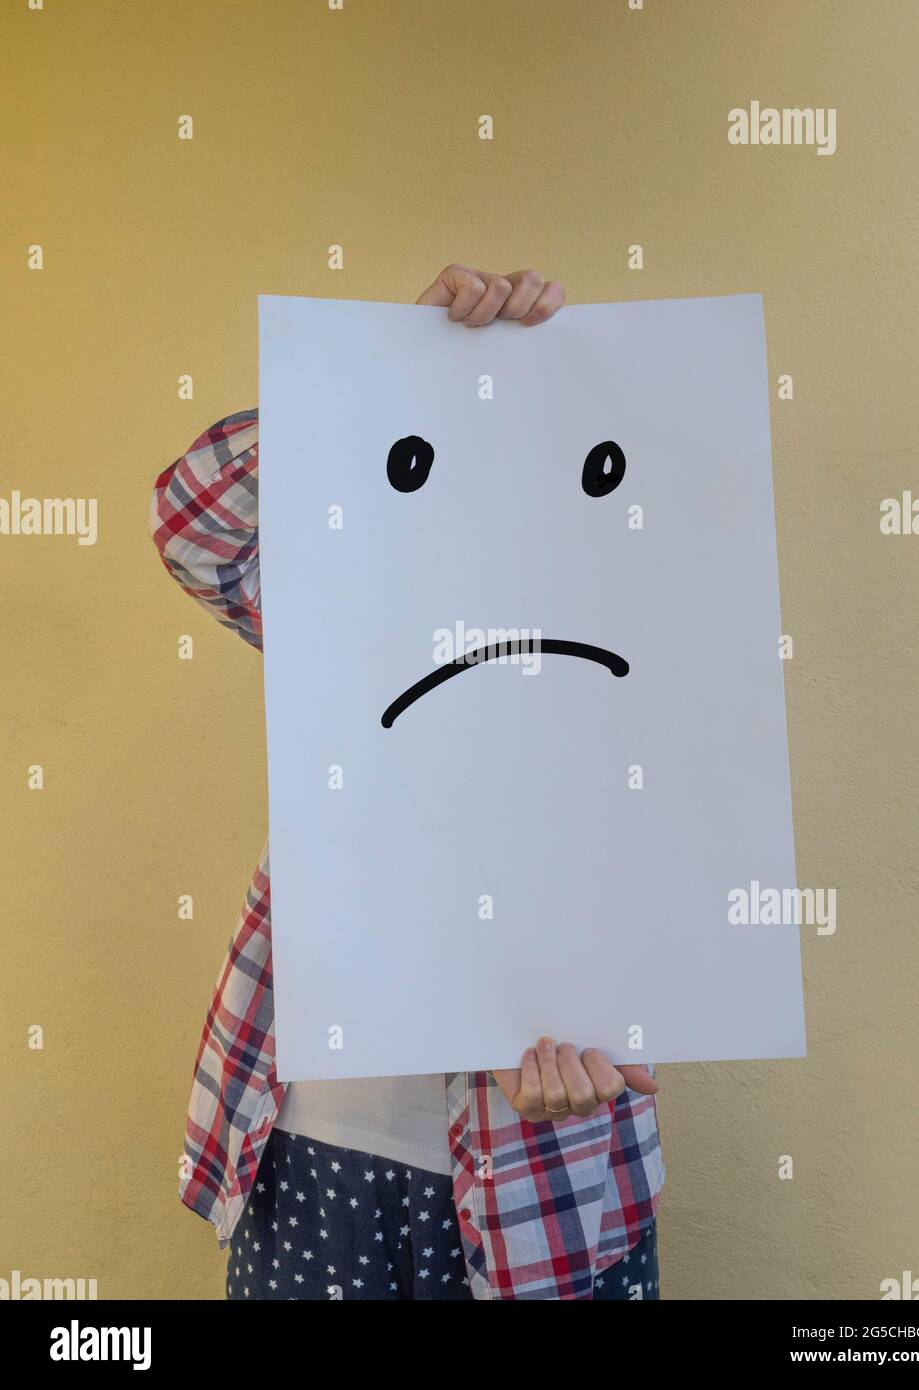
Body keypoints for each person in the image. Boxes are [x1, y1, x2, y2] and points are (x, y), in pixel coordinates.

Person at [148, 263, 666, 1301]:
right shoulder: (359, 610)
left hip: (546, 1180)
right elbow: (197, 526)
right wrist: (389, 381)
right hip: (310, 1149)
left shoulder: (639, 649)